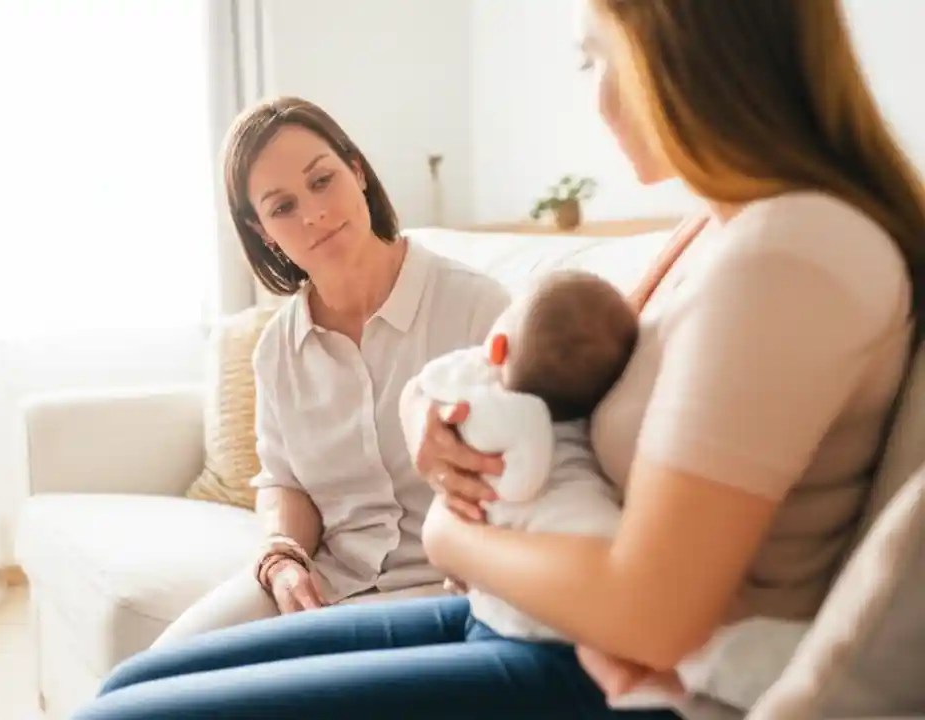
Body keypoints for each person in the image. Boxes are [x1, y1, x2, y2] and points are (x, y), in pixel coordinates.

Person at [75, 1, 925, 717]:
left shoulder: (793, 249)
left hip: (594, 664)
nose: (598, 99)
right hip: (523, 618)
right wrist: (426, 409)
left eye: (601, 58)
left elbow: (654, 611)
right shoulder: (711, 231)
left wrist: (450, 535)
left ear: (691, 48)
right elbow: (516, 364)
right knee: (128, 686)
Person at [151, 95, 511, 646]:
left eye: (322, 181)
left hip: (450, 591)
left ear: (357, 172)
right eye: (282, 207)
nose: (313, 214)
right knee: (156, 668)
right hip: (325, 586)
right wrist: (282, 557)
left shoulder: (478, 308)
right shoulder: (277, 350)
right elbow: (283, 481)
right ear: (262, 230)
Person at [418, 271, 811, 714]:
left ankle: (639, 672)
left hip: (561, 617)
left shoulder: (760, 273)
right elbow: (426, 397)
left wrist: (446, 537)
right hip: (501, 598)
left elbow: (641, 603)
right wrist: (423, 427)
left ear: (498, 347)